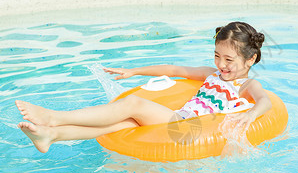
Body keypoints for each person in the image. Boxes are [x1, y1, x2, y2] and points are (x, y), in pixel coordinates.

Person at [16, 21, 272, 153]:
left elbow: (265, 101)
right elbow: (173, 70)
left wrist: (250, 114)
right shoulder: (210, 74)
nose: (221, 64)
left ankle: (54, 118)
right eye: (217, 56)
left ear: (250, 59)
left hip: (188, 129)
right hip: (178, 121)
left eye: (229, 59)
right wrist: (135, 71)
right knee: (123, 124)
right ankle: (52, 136)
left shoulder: (246, 85)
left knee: (133, 105)